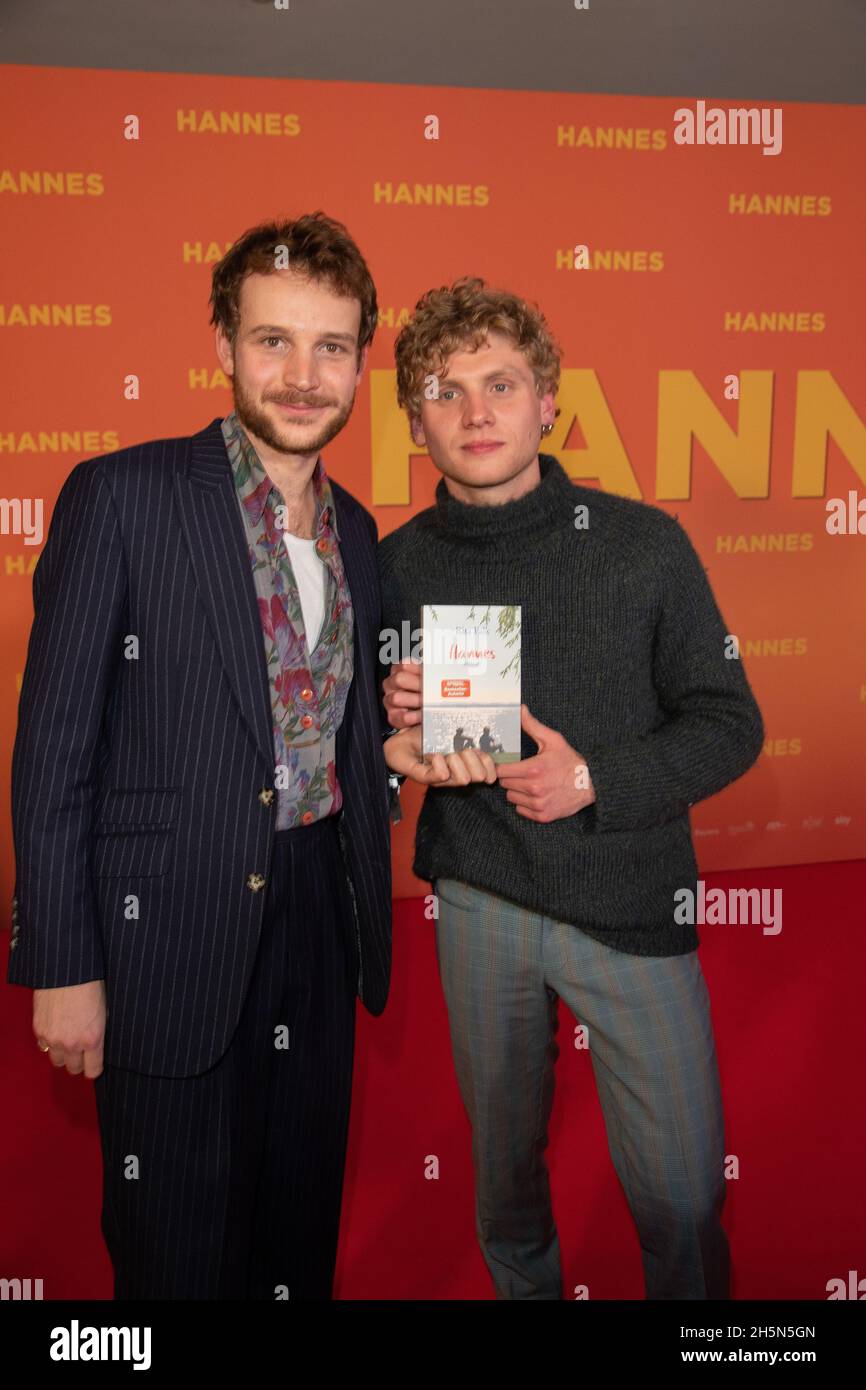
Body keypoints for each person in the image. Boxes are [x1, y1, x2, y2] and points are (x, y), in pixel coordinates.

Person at [8, 212, 394, 1300]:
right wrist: (64, 961)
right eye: (273, 341)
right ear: (223, 345)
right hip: (162, 929)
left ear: (361, 359)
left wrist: (400, 751)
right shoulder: (122, 497)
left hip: (318, 915)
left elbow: (331, 730)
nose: (303, 375)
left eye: (330, 347)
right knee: (175, 1242)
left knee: (293, 1228)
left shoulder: (356, 531)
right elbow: (53, 754)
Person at [380, 275, 764, 1300]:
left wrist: (593, 776)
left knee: (680, 1196)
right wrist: (385, 726)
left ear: (547, 399)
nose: (474, 413)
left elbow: (731, 722)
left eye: (499, 384)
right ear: (414, 418)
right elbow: (352, 757)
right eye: (445, 391)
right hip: (476, 899)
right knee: (502, 1182)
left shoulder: (643, 545)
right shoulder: (392, 567)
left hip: (631, 900)